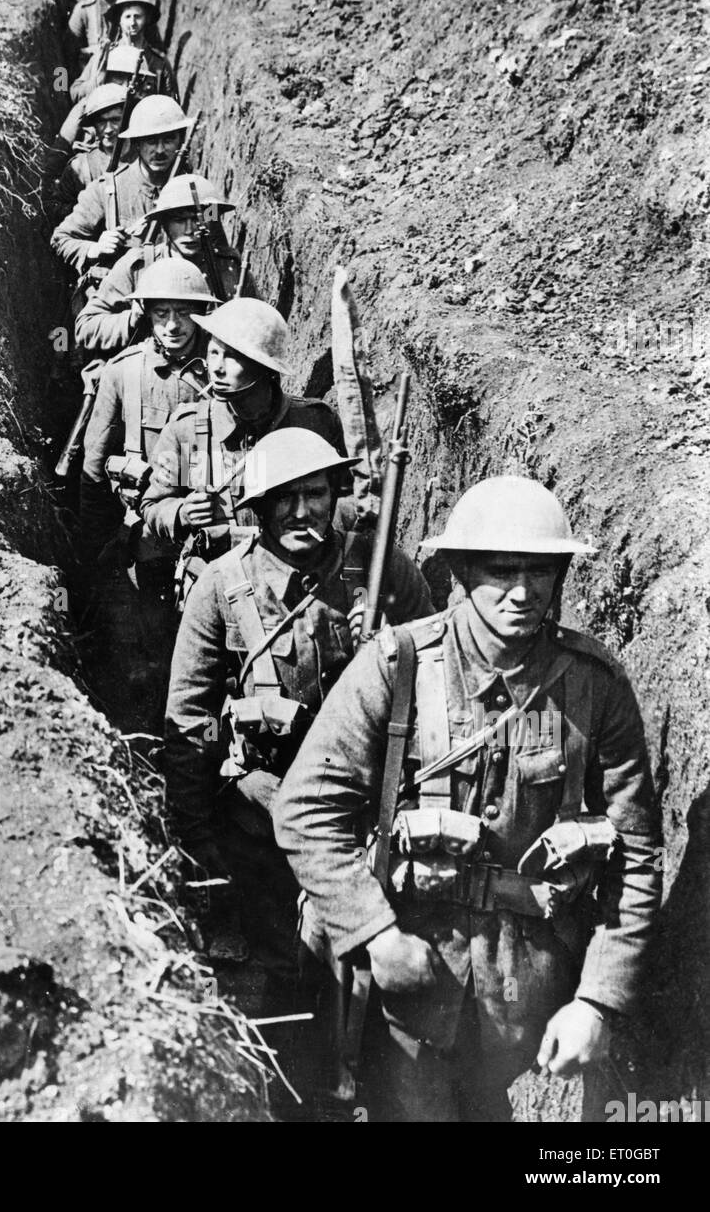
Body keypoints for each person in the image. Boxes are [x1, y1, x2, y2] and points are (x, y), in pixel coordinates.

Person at [273, 475, 663, 1121]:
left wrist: (598, 1000)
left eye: (540, 571)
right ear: (457, 571)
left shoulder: (596, 687)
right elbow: (305, 808)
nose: (522, 591)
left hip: (529, 998)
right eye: (499, 570)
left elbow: (638, 856)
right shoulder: (396, 666)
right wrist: (376, 935)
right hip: (409, 980)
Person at [163, 429, 433, 1018]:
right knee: (284, 980)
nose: (302, 511)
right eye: (283, 498)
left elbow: (438, 680)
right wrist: (200, 848)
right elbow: (188, 724)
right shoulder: (222, 588)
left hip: (368, 815)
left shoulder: (383, 568)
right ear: (257, 507)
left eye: (314, 493)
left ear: (336, 493)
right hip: (264, 826)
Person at [80, 260, 219, 716]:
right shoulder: (125, 373)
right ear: (146, 315)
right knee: (149, 634)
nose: (173, 325)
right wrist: (96, 551)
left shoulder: (226, 368)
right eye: (162, 314)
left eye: (184, 313)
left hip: (214, 523)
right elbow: (94, 466)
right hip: (147, 527)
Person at [140, 298, 343, 606]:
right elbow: (153, 505)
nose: (217, 367)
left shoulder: (313, 421)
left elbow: (349, 499)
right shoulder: (188, 430)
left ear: (264, 365)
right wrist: (182, 513)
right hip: (219, 589)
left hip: (304, 583)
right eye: (213, 352)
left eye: (232, 356)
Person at [75, 175, 246, 360]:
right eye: (179, 221)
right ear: (164, 223)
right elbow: (86, 326)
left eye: (198, 219)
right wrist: (131, 320)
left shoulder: (229, 268)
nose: (189, 230)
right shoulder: (138, 266)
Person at [51, 94, 194, 278]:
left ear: (180, 142)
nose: (159, 150)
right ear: (137, 143)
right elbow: (61, 239)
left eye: (168, 140)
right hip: (120, 298)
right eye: (151, 141)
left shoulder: (193, 189)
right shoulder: (107, 190)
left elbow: (215, 237)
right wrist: (95, 248)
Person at [71, 0, 176, 102]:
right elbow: (75, 92)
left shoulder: (159, 63)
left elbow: (171, 105)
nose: (132, 23)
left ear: (147, 19)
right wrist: (95, 83)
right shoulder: (105, 55)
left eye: (137, 17)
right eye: (127, 17)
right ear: (119, 20)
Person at [43, 83, 127, 215]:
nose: (108, 129)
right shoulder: (80, 168)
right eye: (101, 122)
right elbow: (55, 207)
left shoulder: (143, 160)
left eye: (115, 120)